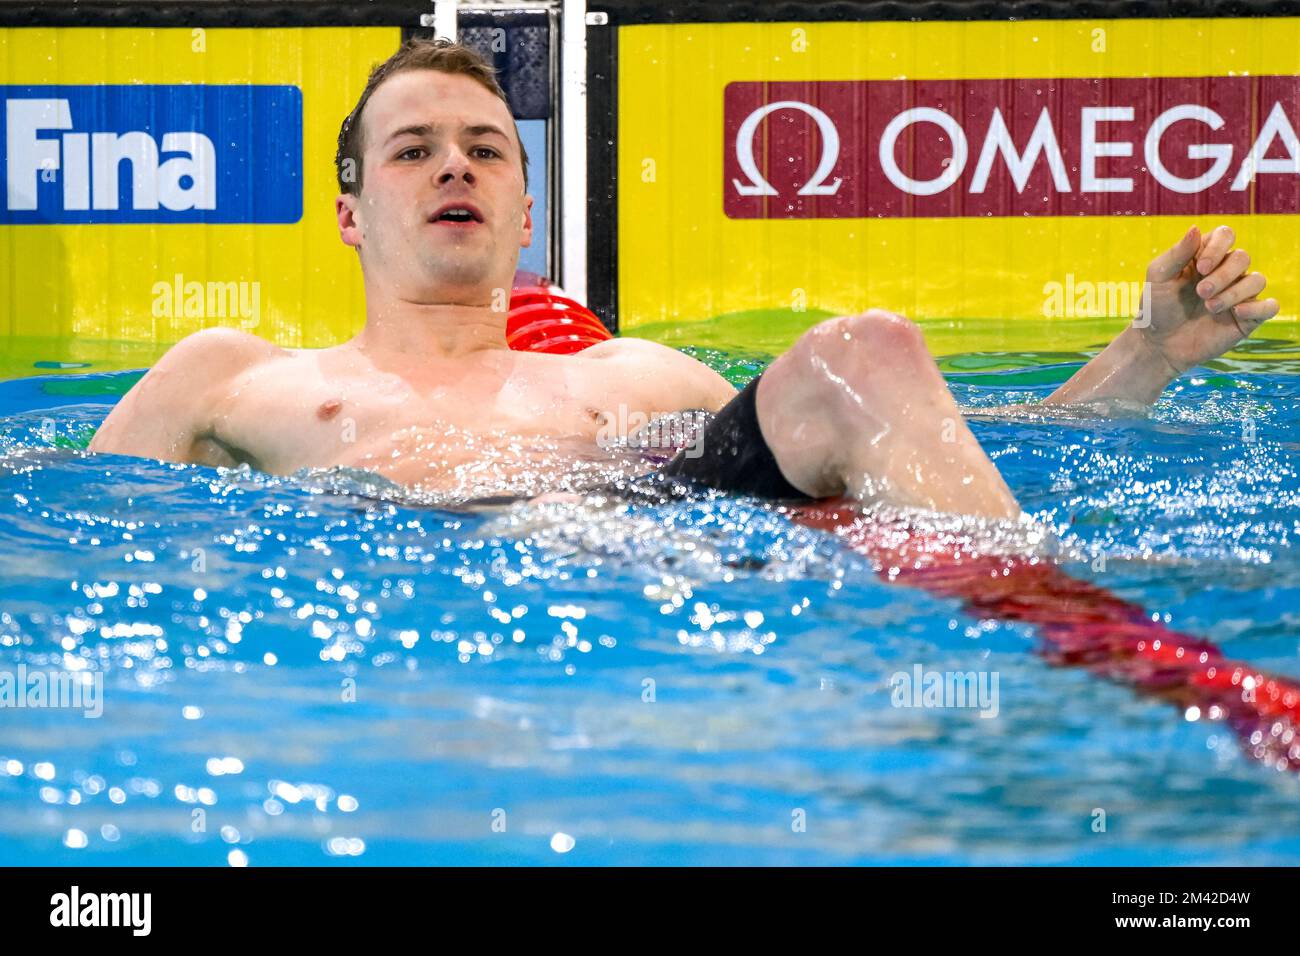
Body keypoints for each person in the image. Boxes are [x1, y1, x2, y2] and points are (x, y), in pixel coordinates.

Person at [88, 39, 1281, 520]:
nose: (453, 164)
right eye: (413, 150)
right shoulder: (233, 377)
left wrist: (1146, 354)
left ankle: (1080, 650)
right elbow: (65, 526)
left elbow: (970, 437)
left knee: (864, 351)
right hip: (374, 592)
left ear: (525, 212)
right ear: (350, 213)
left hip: (648, 557)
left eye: (484, 149)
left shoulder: (631, 376)